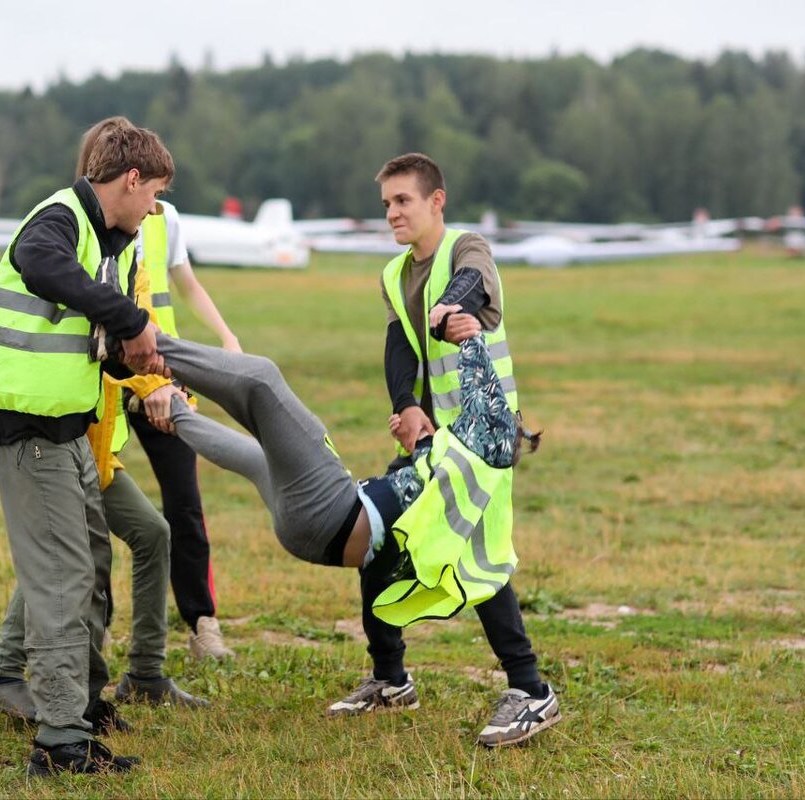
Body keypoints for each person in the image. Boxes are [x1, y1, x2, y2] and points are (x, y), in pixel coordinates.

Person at [100, 292, 556, 746]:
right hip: (325, 525)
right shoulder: (461, 469)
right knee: (255, 457)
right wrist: (416, 443)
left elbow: (485, 391)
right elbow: (419, 492)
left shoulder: (488, 442)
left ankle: (139, 346)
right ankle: (167, 407)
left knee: (263, 382)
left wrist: (467, 330)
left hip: (332, 512)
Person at [0, 120, 206, 716]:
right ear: (130, 179)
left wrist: (155, 372)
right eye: (153, 193)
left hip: (73, 430)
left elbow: (107, 340)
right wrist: (130, 324)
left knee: (78, 563)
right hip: (31, 428)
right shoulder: (58, 220)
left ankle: (84, 701)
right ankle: (62, 727)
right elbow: (38, 261)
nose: (156, 210)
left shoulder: (118, 247)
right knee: (64, 575)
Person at [325, 151, 558, 747]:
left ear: (436, 201)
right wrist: (406, 407)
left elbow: (475, 280)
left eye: (403, 201)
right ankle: (390, 679)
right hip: (436, 439)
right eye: (386, 205)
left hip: (483, 434)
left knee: (473, 554)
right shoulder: (393, 273)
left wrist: (452, 305)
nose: (392, 215)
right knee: (379, 531)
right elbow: (399, 346)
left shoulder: (466, 247)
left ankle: (532, 691)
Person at [85, 117, 242, 660]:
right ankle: (94, 628)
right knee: (96, 506)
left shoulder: (163, 217)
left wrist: (225, 335)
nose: (152, 202)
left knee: (185, 505)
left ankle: (202, 625)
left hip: (163, 372)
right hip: (105, 376)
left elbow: (186, 282)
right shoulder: (86, 223)